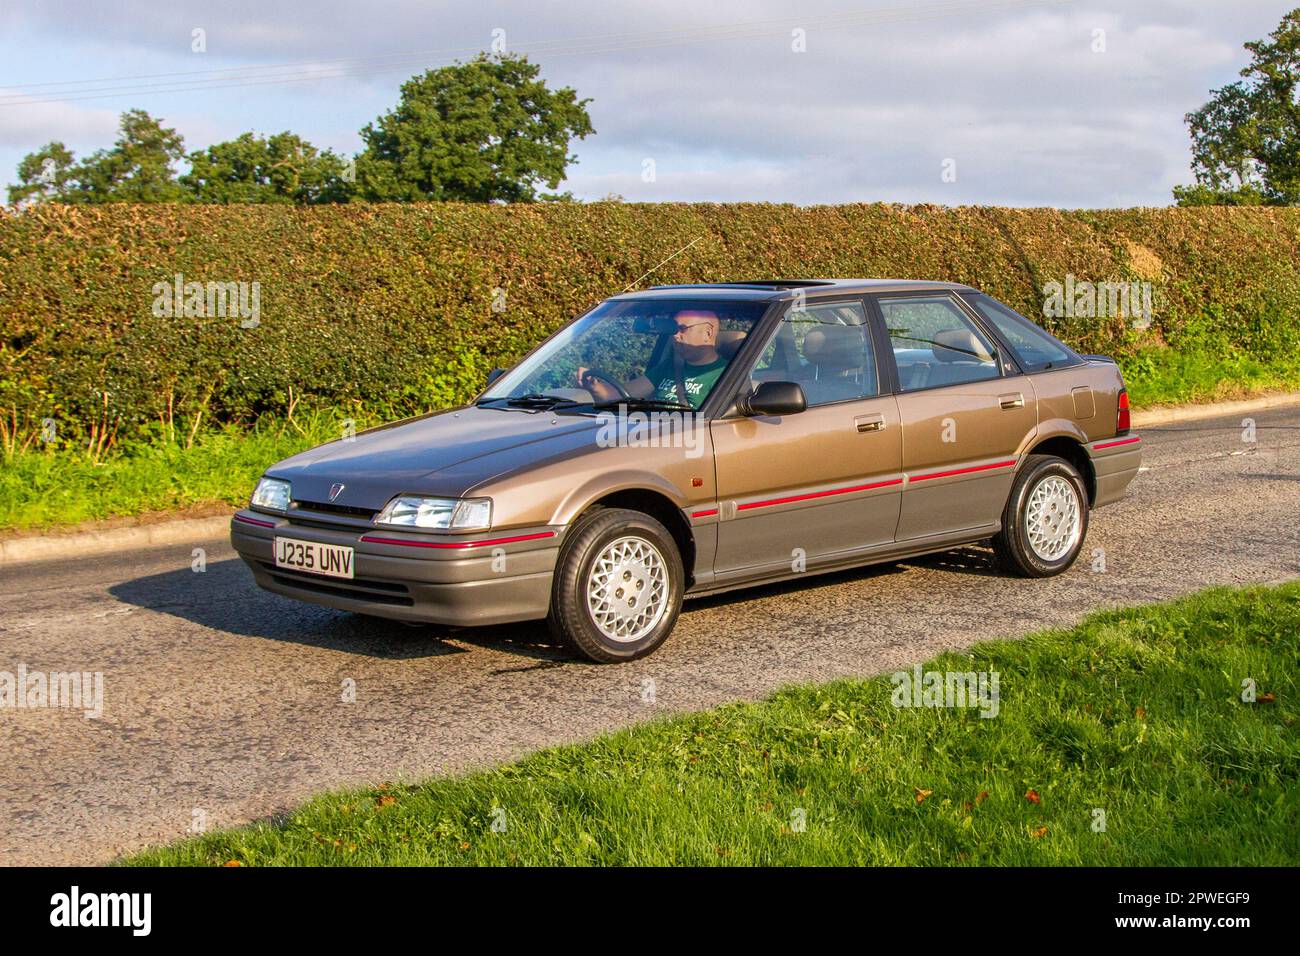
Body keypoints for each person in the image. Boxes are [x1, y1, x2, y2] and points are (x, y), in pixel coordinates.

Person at [576, 309, 729, 409]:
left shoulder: (724, 374)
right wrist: (595, 387)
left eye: (682, 329)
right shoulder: (670, 366)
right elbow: (623, 396)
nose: (675, 335)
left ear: (708, 333)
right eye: (673, 329)